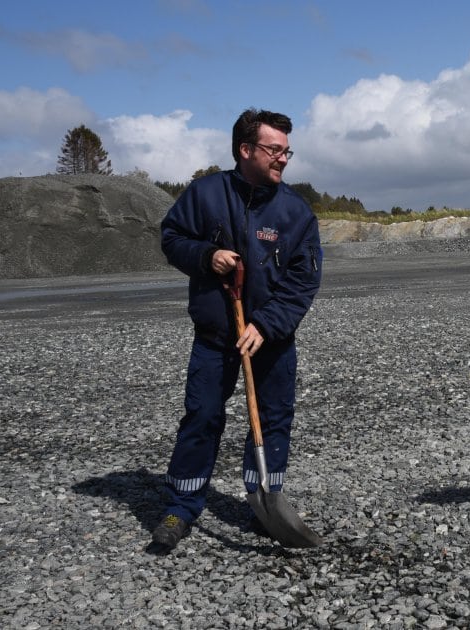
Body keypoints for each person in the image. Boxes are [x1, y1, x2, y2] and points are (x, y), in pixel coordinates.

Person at [153, 108, 322, 550]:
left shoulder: (296, 212)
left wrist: (266, 325)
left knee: (272, 419)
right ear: (246, 149)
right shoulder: (205, 195)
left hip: (272, 342)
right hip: (214, 337)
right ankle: (181, 506)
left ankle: (264, 500)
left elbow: (303, 280)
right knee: (203, 417)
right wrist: (207, 256)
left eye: (287, 150)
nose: (283, 158)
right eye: (274, 149)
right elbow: (172, 238)